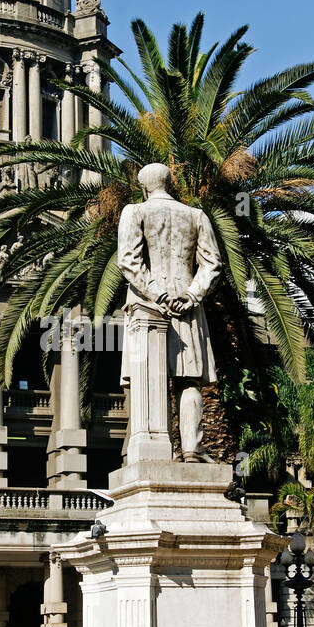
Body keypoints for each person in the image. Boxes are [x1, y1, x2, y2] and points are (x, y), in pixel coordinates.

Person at [117, 163, 222, 461]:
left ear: (144, 187)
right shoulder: (195, 215)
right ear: (168, 184)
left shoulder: (135, 212)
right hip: (187, 305)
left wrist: (156, 293)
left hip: (148, 307)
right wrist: (192, 294)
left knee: (151, 377)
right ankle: (191, 449)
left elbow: (128, 260)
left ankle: (156, 451)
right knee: (189, 380)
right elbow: (212, 263)